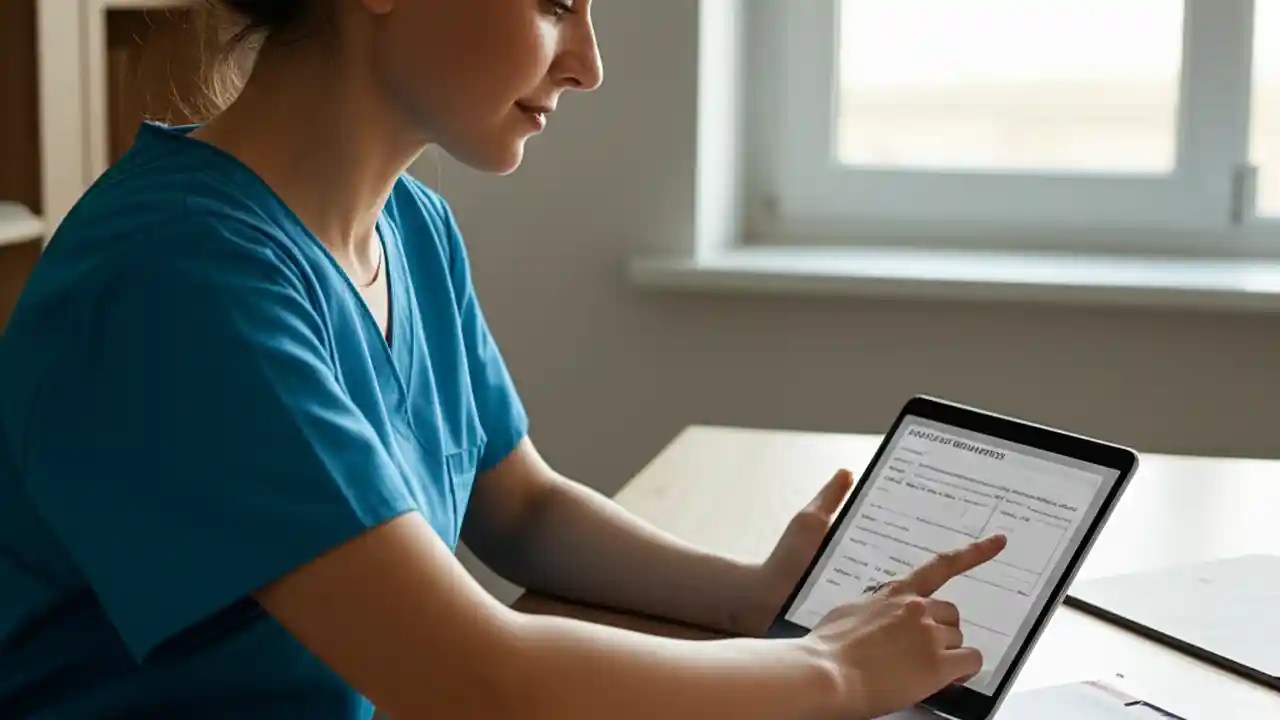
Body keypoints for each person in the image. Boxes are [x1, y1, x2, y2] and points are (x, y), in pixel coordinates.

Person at [0, 1, 1007, 718]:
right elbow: (473, 683)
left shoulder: (407, 226)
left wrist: (744, 596)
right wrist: (828, 675)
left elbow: (514, 503)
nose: (588, 63)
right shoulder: (180, 281)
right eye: (554, 3)